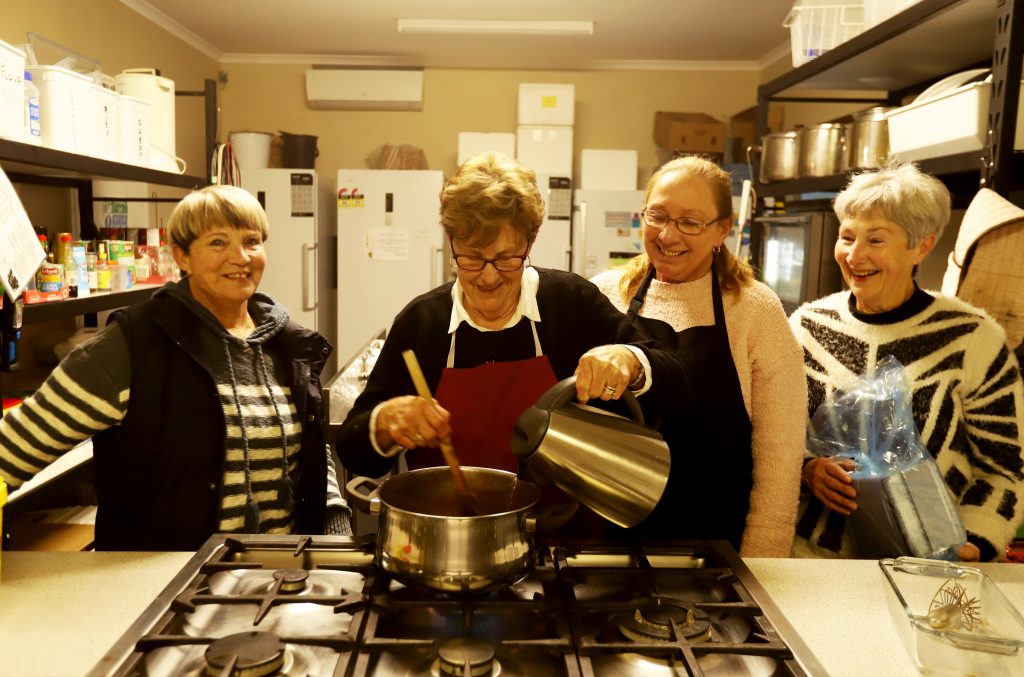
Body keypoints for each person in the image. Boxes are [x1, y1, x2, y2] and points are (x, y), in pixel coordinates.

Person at [0, 184, 350, 550]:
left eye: (251, 241)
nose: (240, 256)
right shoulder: (135, 345)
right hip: (169, 589)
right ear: (182, 257)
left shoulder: (286, 344)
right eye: (217, 243)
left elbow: (308, 454)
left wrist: (336, 530)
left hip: (277, 580)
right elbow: (16, 445)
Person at [337, 151, 686, 491]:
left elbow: (674, 382)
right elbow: (354, 452)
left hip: (560, 536)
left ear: (530, 240)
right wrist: (383, 424)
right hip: (453, 533)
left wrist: (630, 361)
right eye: (472, 258)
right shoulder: (422, 323)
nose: (488, 278)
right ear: (451, 241)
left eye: (506, 259)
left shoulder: (570, 303)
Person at [789, 163, 1024, 562]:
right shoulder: (807, 326)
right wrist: (808, 470)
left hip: (931, 566)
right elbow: (773, 439)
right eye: (847, 236)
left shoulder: (972, 338)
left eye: (876, 240)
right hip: (816, 561)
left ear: (922, 246)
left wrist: (972, 542)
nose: (855, 255)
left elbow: (1006, 468)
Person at [590, 155, 807, 557]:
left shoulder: (755, 311)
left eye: (690, 223)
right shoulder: (604, 295)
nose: (668, 236)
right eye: (657, 216)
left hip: (715, 559)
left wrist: (760, 571)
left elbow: (779, 461)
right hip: (606, 551)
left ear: (723, 229)